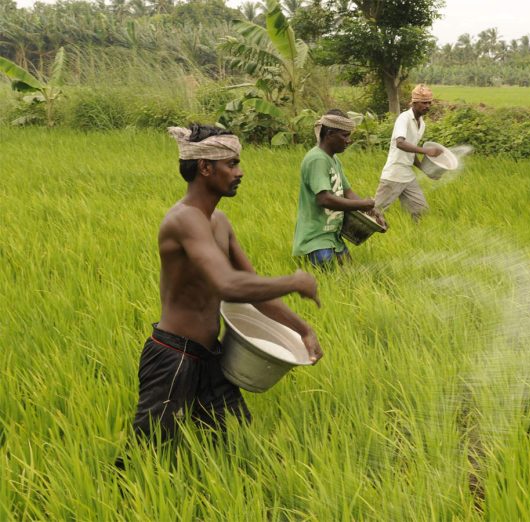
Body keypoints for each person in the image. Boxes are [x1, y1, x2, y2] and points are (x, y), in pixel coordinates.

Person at [132, 123, 324, 441]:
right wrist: (293, 281)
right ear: (206, 167)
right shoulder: (184, 219)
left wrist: (302, 329)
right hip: (173, 356)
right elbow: (227, 285)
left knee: (230, 441)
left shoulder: (219, 222)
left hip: (210, 355)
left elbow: (251, 287)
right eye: (232, 163)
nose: (240, 172)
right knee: (150, 448)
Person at [292, 109, 380, 268]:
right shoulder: (317, 159)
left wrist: (371, 212)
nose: (348, 141)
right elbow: (324, 199)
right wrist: (362, 205)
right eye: (345, 136)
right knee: (334, 283)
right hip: (316, 239)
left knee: (350, 281)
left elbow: (348, 192)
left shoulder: (333, 159)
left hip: (333, 236)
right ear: (330, 133)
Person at [374, 84, 443, 220]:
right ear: (414, 103)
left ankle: (417, 237)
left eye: (429, 102)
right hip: (394, 174)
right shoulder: (404, 118)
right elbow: (400, 143)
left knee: (420, 210)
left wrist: (426, 170)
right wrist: (426, 151)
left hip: (407, 175)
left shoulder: (422, 123)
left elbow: (411, 152)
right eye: (424, 103)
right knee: (375, 211)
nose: (427, 106)